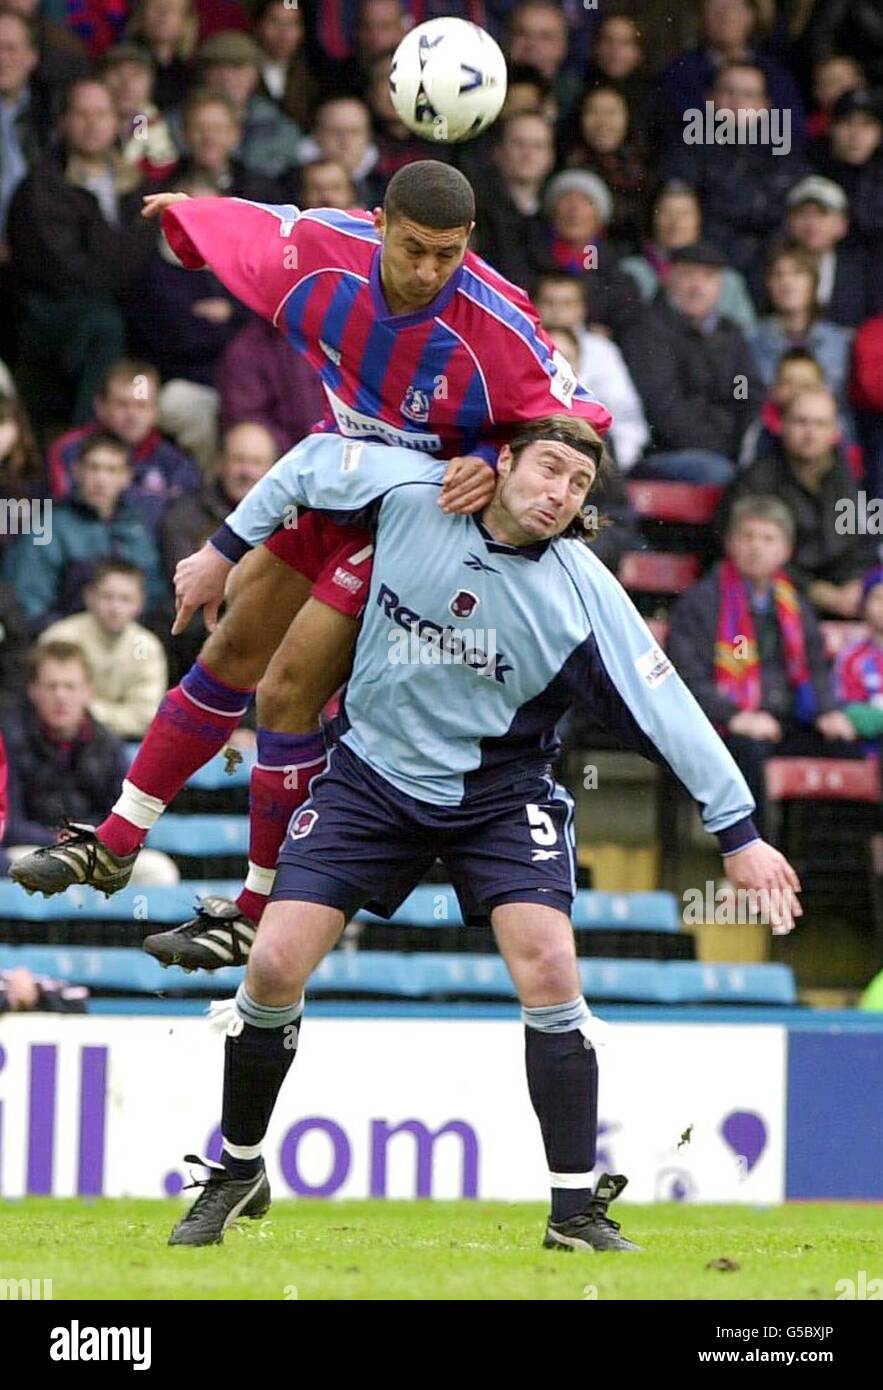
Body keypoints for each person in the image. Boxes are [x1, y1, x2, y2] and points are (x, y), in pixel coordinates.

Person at [151, 419, 800, 1249]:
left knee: (550, 964)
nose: (560, 493)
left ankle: (573, 1212)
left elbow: (666, 712)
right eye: (549, 470)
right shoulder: (414, 499)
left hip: (500, 795)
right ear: (502, 464)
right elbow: (315, 459)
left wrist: (737, 832)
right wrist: (222, 548)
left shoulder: (583, 591)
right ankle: (238, 1171)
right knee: (273, 964)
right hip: (369, 778)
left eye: (577, 485)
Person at [9, 160, 613, 961]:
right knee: (228, 652)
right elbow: (256, 226)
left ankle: (256, 906)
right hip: (338, 483)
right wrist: (193, 222)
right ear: (379, 225)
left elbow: (580, 426)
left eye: (446, 254)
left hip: (417, 526)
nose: (428, 270)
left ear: (466, 244)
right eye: (413, 249)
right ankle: (117, 842)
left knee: (287, 693)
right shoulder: (325, 250)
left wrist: (503, 454)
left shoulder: (496, 323)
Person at [668, 494, 858, 833]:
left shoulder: (794, 603)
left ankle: (823, 874)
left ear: (786, 549)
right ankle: (755, 865)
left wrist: (828, 710)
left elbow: (815, 667)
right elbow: (685, 677)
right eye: (747, 537)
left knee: (845, 747)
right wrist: (736, 716)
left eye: (768, 539)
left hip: (788, 720)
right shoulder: (701, 601)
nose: (756, 548)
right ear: (730, 543)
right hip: (726, 725)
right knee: (748, 753)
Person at [7, 77, 157, 431]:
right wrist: (122, 254)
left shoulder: (135, 184)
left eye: (102, 114)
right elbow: (64, 271)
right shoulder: (40, 187)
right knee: (104, 324)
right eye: (81, 114)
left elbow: (147, 244)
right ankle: (88, 440)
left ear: (117, 122)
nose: (92, 124)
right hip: (52, 311)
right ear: (63, 122)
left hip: (115, 297)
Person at [2, 641, 177, 884]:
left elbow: (134, 821)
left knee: (157, 871)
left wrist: (95, 841)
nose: (61, 696)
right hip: (38, 849)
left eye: (70, 687)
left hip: (97, 852)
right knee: (18, 865)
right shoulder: (9, 741)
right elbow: (8, 825)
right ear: (33, 690)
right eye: (52, 686)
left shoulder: (108, 744)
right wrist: (57, 839)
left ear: (88, 691)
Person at [721, 386, 875, 617]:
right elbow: (751, 556)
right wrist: (816, 591)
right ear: (781, 424)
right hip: (770, 604)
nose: (810, 433)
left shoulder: (844, 477)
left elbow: (858, 547)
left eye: (820, 423)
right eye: (801, 422)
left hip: (841, 602)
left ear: (835, 431)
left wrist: (860, 585)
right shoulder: (755, 481)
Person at [622, 240, 762, 484]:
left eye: (708, 277)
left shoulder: (731, 334)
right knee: (726, 477)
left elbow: (746, 394)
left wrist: (736, 442)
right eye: (688, 275)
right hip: (665, 455)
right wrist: (721, 446)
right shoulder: (647, 331)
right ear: (667, 278)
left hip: (726, 452)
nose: (698, 287)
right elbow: (663, 408)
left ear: (719, 286)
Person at [4, 431, 166, 630]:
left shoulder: (138, 527)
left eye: (112, 470)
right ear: (76, 471)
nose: (101, 479)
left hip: (131, 642)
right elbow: (30, 604)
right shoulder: (47, 526)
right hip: (64, 646)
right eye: (93, 468)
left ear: (126, 476)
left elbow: (155, 596)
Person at [47, 358, 201, 534]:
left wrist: (119, 495)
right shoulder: (69, 449)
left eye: (141, 405)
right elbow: (73, 506)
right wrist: (153, 500)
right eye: (122, 404)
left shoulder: (175, 460)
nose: (132, 415)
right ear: (100, 406)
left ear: (155, 411)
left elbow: (186, 518)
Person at [533, 270, 649, 472]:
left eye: (567, 303)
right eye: (549, 302)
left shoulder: (603, 351)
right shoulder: (521, 347)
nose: (558, 311)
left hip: (599, 462)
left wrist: (609, 467)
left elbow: (627, 419)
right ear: (534, 306)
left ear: (582, 309)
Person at [39, 559, 168, 740]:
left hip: (125, 742)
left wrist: (87, 709)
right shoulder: (59, 638)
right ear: (89, 596)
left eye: (125, 599)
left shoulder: (147, 647)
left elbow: (145, 717)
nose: (115, 608)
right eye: (107, 597)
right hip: (62, 737)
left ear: (140, 603)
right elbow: (42, 703)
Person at [619, 181, 757, 332]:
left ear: (699, 220)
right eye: (666, 212)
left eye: (685, 214)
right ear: (653, 218)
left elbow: (747, 334)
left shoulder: (727, 280)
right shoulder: (631, 272)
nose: (676, 222)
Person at [749, 242, 854, 428]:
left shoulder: (840, 343)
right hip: (765, 435)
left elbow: (845, 401)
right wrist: (758, 395)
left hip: (831, 439)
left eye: (797, 273)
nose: (787, 282)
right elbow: (736, 391)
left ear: (813, 283)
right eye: (777, 275)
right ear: (768, 284)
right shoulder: (747, 340)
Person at [781, 174, 883, 328]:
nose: (812, 223)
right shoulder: (770, 270)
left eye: (822, 213)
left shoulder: (864, 273)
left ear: (842, 224)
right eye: (803, 213)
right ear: (789, 222)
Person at [473, 110, 556, 291]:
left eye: (538, 146)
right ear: (498, 152)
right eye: (519, 144)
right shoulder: (475, 209)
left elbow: (590, 261)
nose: (528, 154)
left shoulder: (560, 211)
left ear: (550, 157)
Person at [836, 567, 883, 740]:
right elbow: (850, 711)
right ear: (864, 604)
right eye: (878, 598)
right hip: (866, 745)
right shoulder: (851, 657)